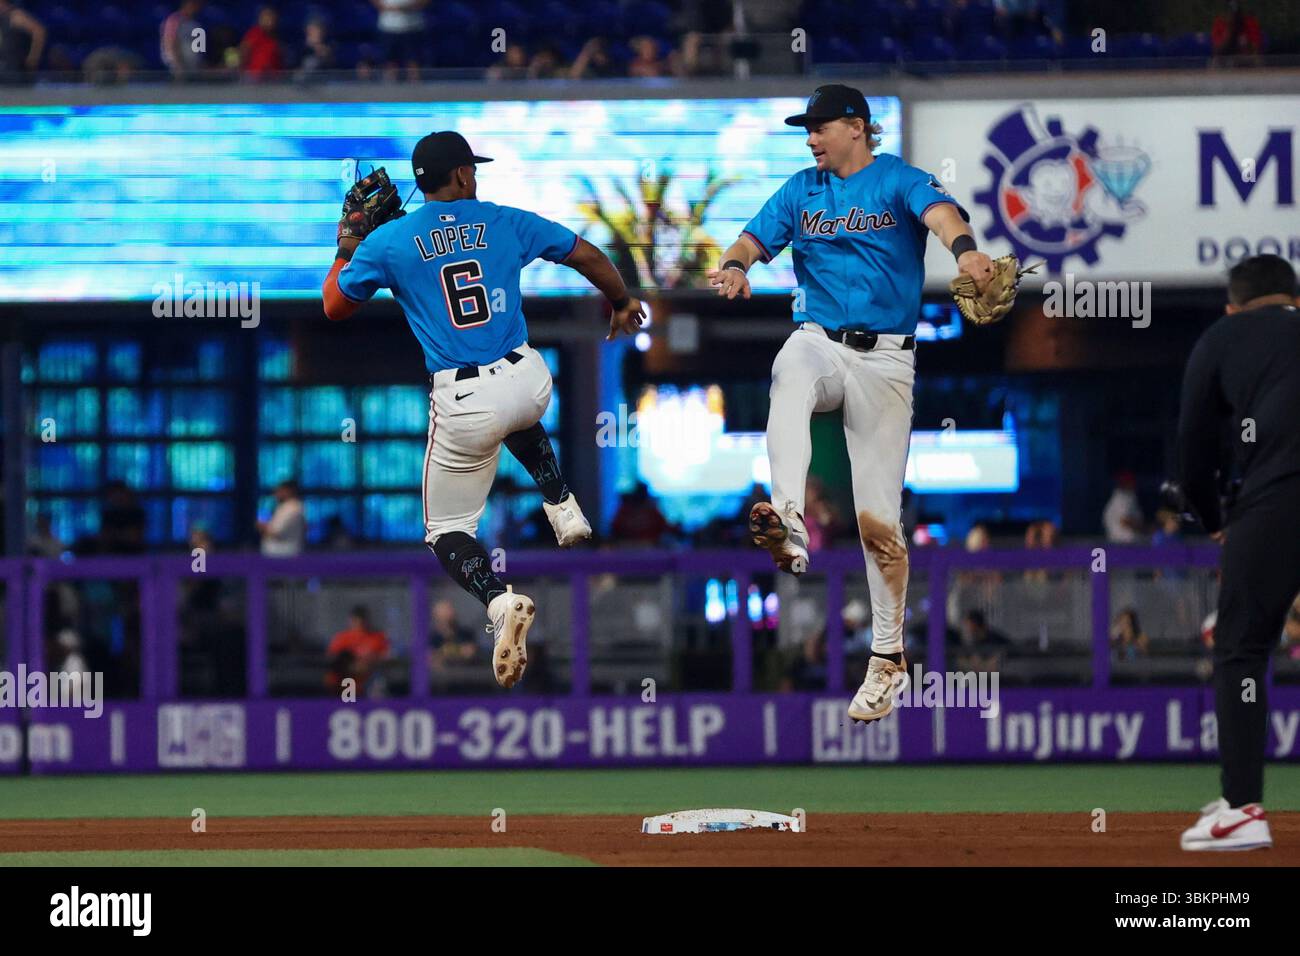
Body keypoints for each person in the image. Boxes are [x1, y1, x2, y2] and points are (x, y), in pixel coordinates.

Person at [709, 84, 994, 724]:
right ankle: (786, 515)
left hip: (886, 357)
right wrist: (735, 264)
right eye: (806, 128)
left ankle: (887, 658)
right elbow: (754, 240)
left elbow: (943, 216)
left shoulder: (898, 179)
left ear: (857, 127)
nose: (810, 138)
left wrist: (966, 251)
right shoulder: (801, 190)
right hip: (820, 340)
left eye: (819, 127)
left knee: (878, 525)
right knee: (789, 371)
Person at [322, 131, 645, 689]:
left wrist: (351, 245)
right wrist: (621, 301)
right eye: (474, 167)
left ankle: (498, 603)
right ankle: (561, 503)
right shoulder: (504, 220)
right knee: (516, 411)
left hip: (464, 400)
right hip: (528, 378)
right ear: (464, 175)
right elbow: (586, 254)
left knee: (445, 529)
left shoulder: (390, 241)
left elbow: (333, 308)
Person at [1174, 253, 1300, 851]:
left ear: (1233, 306)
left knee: (1243, 648)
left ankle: (1243, 806)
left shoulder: (1223, 336)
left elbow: (1192, 455)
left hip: (1277, 502)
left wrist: (1216, 516)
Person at [325, 606, 390, 696]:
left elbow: (386, 657)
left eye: (362, 620)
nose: (360, 624)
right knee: (344, 682)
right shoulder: (342, 638)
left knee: (378, 680)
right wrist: (351, 666)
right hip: (347, 677)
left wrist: (368, 663)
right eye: (356, 620)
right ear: (351, 620)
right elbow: (333, 659)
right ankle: (347, 704)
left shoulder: (377, 637)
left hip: (369, 677)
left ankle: (376, 706)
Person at [371, 0, 427, 81]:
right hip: (388, 27)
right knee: (390, 63)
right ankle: (391, 88)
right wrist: (385, 7)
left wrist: (411, 7)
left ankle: (415, 88)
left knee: (413, 63)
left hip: (413, 27)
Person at [610, 482, 673, 546]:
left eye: (643, 493)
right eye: (639, 492)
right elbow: (615, 527)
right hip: (626, 546)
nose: (641, 495)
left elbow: (663, 527)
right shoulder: (625, 510)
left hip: (650, 546)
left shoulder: (652, 510)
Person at [257, 479, 306, 556]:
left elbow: (277, 532)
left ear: (289, 491)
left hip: (284, 554)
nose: (276, 493)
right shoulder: (283, 507)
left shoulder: (293, 508)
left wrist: (262, 526)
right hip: (276, 553)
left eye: (279, 490)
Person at [160, 0, 206, 80]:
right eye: (193, 4)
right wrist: (177, 64)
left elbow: (199, 48)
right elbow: (170, 43)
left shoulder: (196, 23)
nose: (196, 7)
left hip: (194, 68)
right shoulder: (174, 20)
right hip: (178, 67)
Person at [0, 0, 44, 80]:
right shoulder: (2, 19)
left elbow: (39, 31)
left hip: (18, 69)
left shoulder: (16, 15)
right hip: (5, 67)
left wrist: (33, 57)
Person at [239, 6, 284, 81]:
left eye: (271, 18)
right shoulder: (254, 33)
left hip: (273, 79)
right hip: (253, 77)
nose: (268, 20)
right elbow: (244, 51)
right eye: (265, 17)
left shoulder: (277, 39)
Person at [1102, 471, 1144, 543]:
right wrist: (1146, 528)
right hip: (1122, 542)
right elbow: (1124, 521)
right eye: (1129, 482)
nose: (1133, 484)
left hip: (1128, 541)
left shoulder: (1128, 496)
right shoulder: (1121, 498)